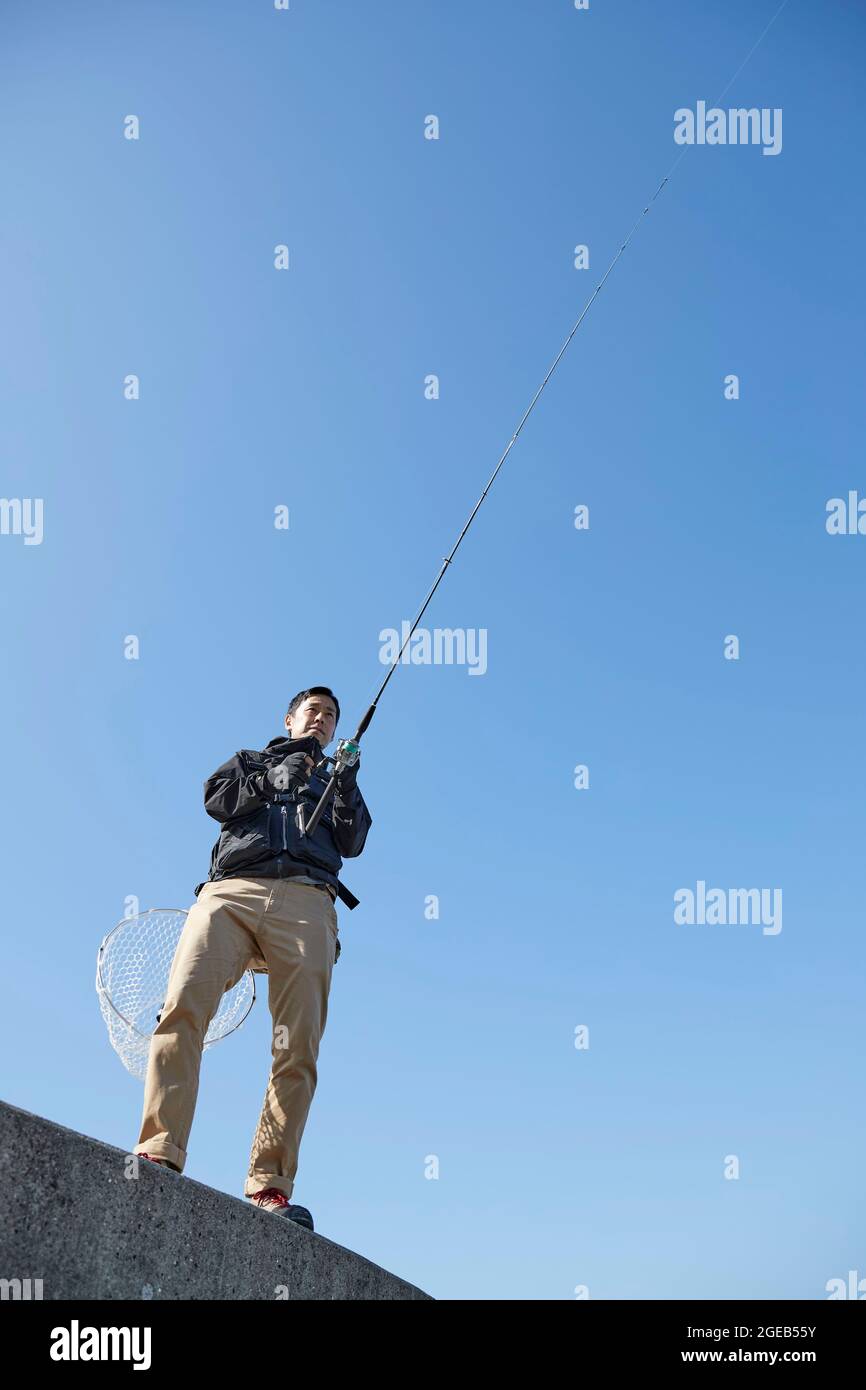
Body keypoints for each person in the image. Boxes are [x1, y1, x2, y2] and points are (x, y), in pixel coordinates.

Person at [132, 686, 372, 1230]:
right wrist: (270, 777)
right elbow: (216, 801)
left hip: (308, 902)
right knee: (181, 1010)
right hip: (231, 893)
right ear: (290, 718)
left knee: (297, 1045)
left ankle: (270, 1187)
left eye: (330, 715)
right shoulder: (248, 761)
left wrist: (346, 784)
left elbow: (354, 841)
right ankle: (158, 1150)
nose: (321, 718)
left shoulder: (334, 778)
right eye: (312, 710)